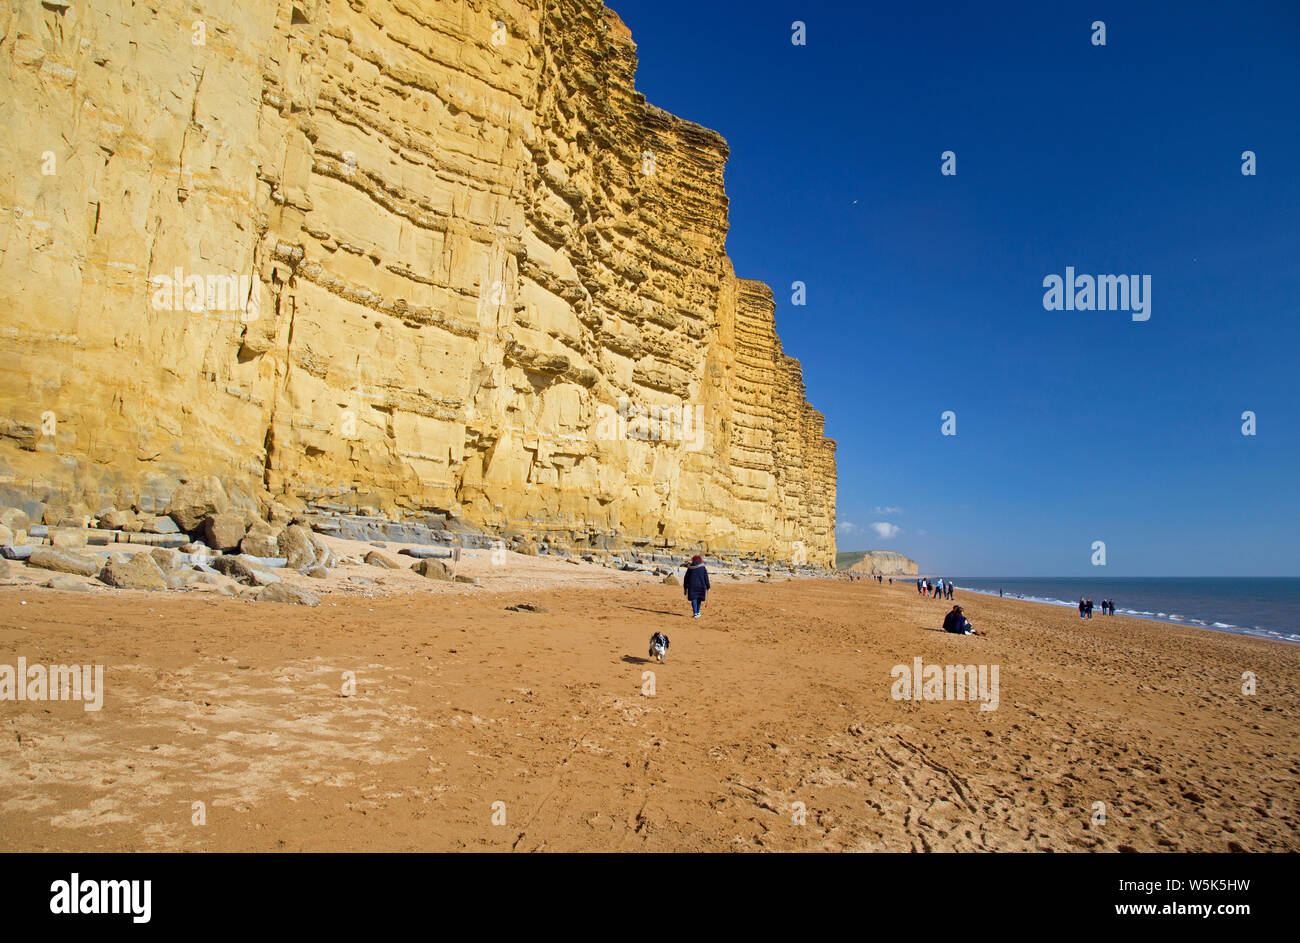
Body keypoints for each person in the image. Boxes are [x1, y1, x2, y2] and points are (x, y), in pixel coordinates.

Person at [683, 554, 710, 619]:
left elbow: (686, 578)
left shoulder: (690, 568)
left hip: (692, 586)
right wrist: (708, 587)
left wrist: (685, 587)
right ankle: (697, 612)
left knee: (694, 599)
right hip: (701, 586)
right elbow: (706, 578)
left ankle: (695, 613)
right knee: (699, 599)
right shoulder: (702, 567)